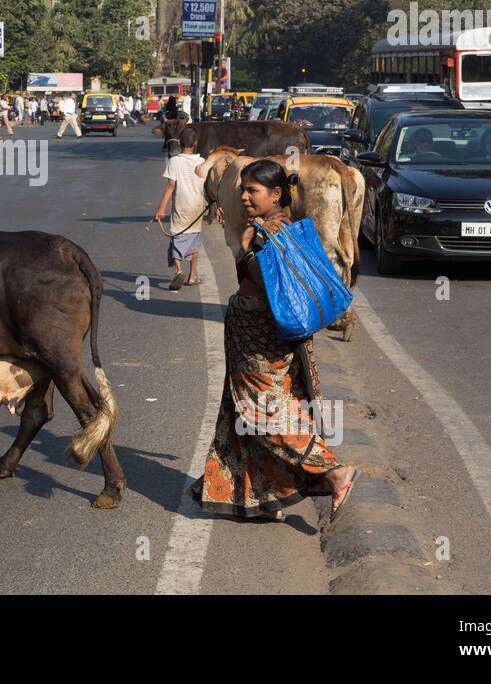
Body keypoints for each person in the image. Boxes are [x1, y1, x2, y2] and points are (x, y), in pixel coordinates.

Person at [192, 158, 359, 522]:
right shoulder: (278, 227)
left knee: (261, 409)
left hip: (261, 340)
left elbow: (272, 285)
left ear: (276, 194)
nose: (245, 197)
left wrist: (247, 249)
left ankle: (333, 471)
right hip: (257, 335)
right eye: (243, 190)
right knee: (245, 410)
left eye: (252, 191)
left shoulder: (269, 232)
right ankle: (263, 496)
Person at [153, 126, 206, 290]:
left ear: (179, 142)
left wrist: (161, 209)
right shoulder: (202, 162)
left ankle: (178, 270)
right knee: (194, 239)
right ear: (195, 143)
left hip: (181, 206)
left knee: (177, 236)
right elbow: (208, 187)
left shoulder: (175, 161)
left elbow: (170, 185)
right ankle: (193, 276)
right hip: (197, 207)